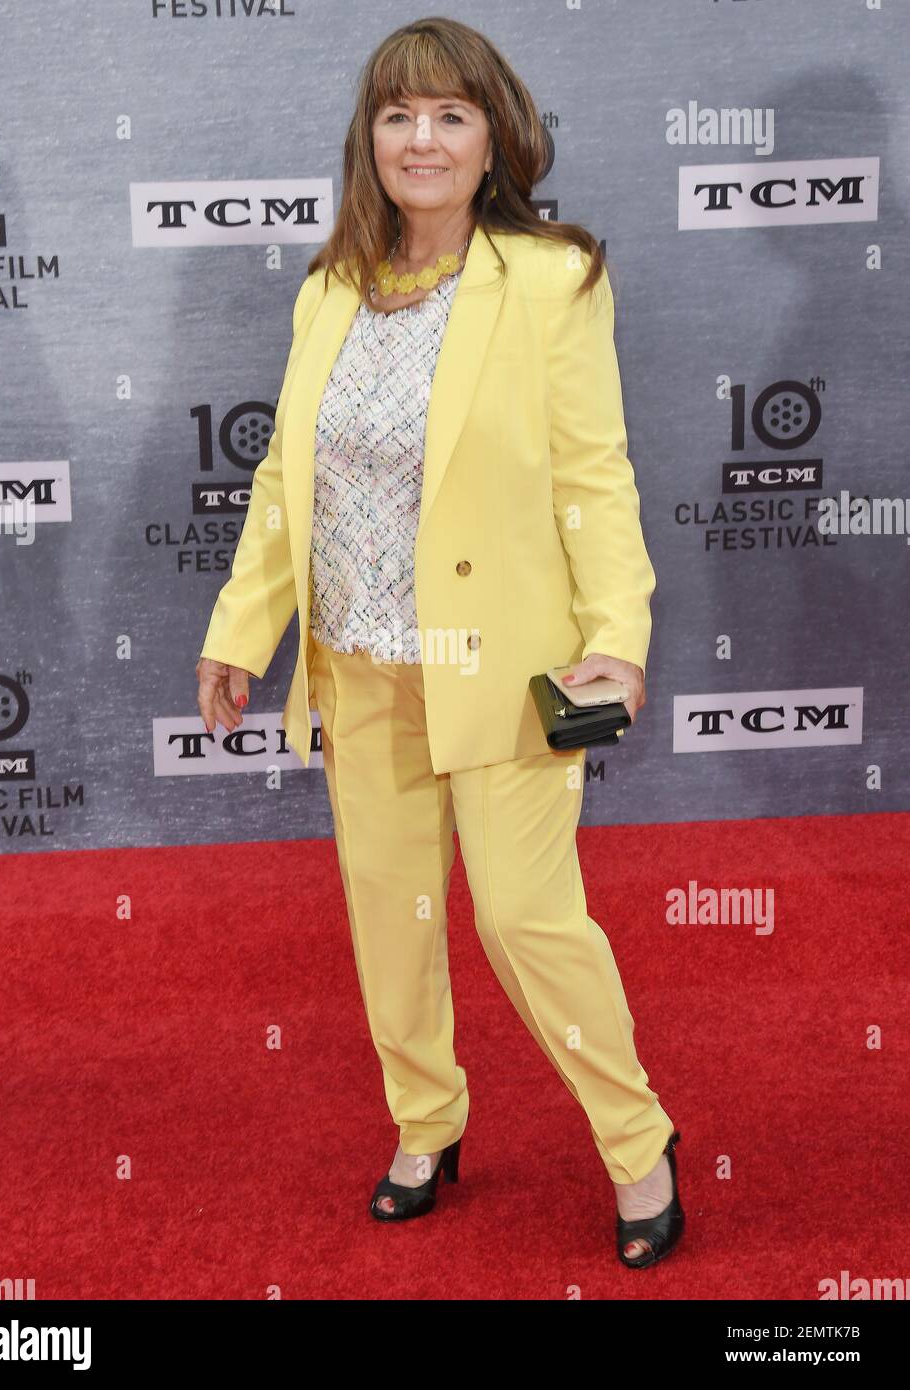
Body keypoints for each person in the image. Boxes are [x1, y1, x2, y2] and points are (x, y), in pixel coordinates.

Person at [196, 16, 685, 1269]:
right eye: (398, 115)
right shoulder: (329, 289)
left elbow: (595, 475)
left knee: (526, 921)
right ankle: (427, 1122)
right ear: (370, 139)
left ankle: (637, 1142)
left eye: (450, 116)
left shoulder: (550, 278)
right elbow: (279, 484)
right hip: (357, 666)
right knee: (391, 920)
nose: (422, 138)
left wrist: (618, 641)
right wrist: (241, 629)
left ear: (492, 139)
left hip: (505, 671)